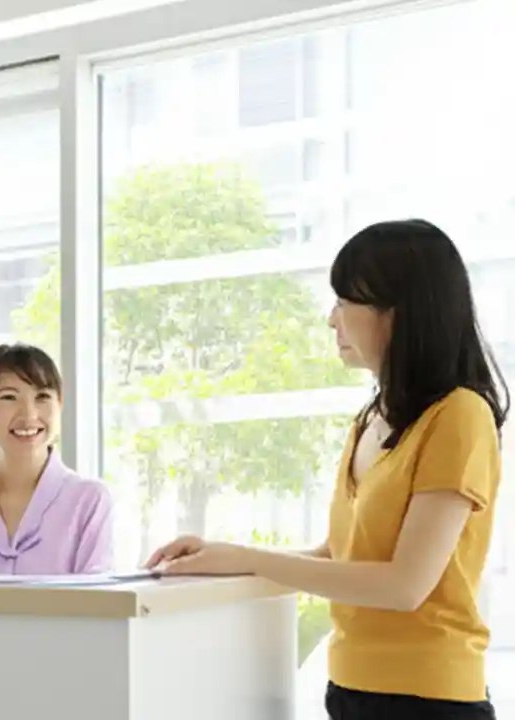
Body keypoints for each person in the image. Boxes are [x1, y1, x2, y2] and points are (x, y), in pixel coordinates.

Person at [147, 219, 506, 719]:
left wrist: (247, 557)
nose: (331, 319)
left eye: (344, 302)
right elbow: (339, 557)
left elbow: (405, 586)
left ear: (396, 311)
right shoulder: (370, 420)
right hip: (350, 690)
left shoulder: (460, 415)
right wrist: (222, 555)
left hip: (430, 700)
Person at [0, 343, 114, 575]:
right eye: (9, 397)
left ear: (60, 404)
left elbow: (97, 602)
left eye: (42, 397)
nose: (29, 415)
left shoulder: (89, 501)